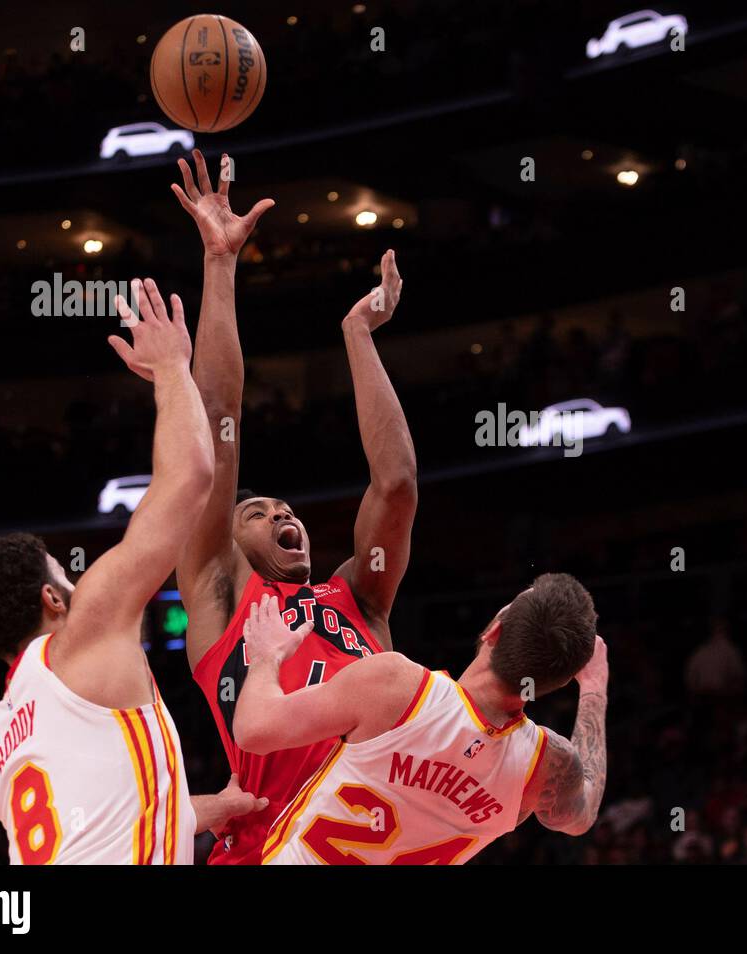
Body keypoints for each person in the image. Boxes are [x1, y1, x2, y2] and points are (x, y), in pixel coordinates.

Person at [0, 279, 265, 864]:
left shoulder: (1, 734)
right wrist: (172, 367)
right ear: (53, 597)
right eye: (64, 576)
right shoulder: (84, 630)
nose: (79, 582)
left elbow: (97, 822)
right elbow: (191, 478)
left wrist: (205, 809)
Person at [170, 151, 419, 863]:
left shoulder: (360, 601)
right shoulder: (221, 592)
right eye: (259, 513)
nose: (283, 513)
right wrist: (220, 264)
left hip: (374, 845)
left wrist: (359, 335)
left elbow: (397, 484)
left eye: (286, 508)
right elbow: (217, 412)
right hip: (268, 846)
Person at [233, 573, 609, 865]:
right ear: (557, 682)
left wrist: (268, 655)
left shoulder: (398, 685)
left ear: (493, 630)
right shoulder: (544, 764)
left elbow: (253, 731)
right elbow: (583, 812)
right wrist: (594, 689)